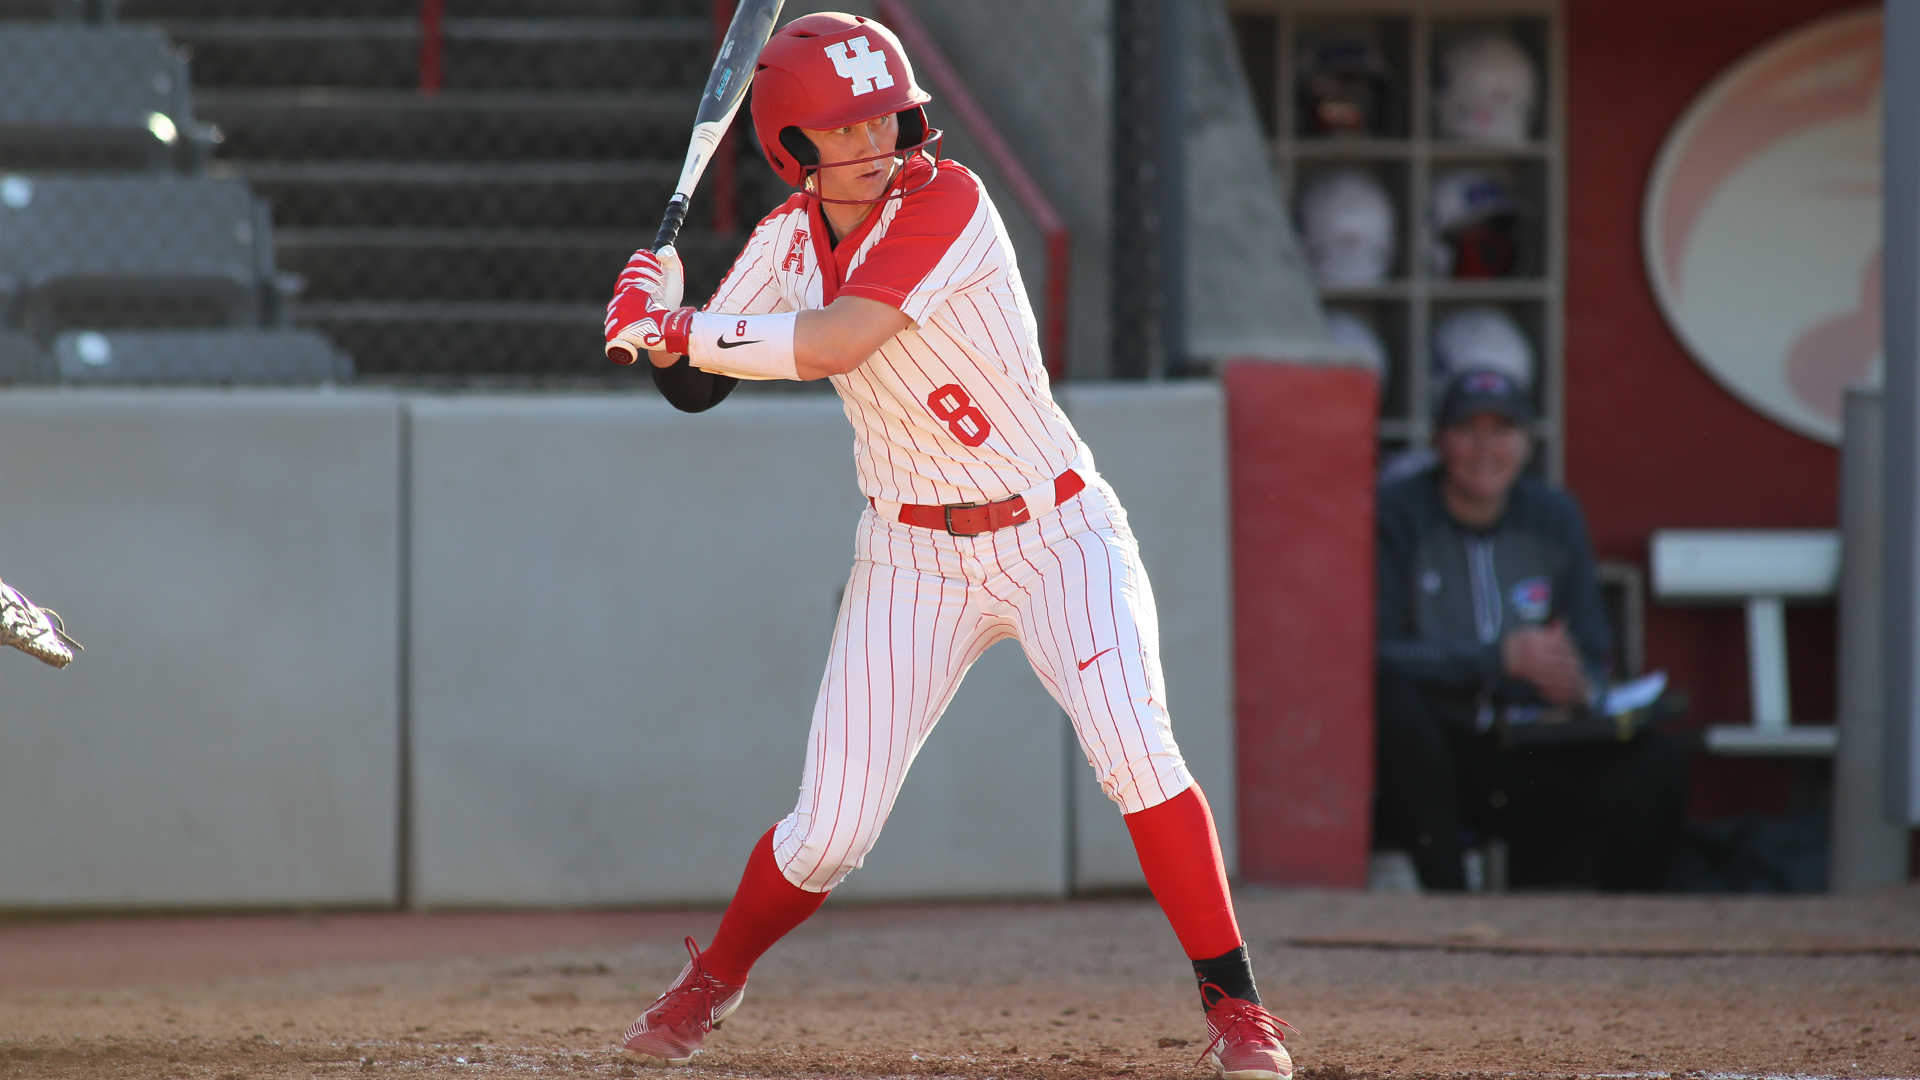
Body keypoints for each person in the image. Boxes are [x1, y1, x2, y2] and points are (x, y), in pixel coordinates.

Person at [601, 13, 1292, 1079]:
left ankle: (1239, 1010)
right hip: (910, 558)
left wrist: (680, 327)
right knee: (829, 830)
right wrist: (660, 315)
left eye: (886, 115)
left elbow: (836, 340)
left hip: (1057, 533)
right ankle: (711, 980)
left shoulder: (951, 202)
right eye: (844, 126)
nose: (874, 139)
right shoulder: (785, 241)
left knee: (1138, 753)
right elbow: (697, 388)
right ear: (790, 143)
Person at [1373, 369, 1687, 891]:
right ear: (1439, 440)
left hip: (1531, 744)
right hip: (1442, 752)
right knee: (1394, 704)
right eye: (1467, 429)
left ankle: (1629, 920)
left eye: (1502, 430)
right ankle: (1449, 904)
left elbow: (1592, 647)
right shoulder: (1400, 513)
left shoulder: (1554, 515)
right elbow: (1378, 652)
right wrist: (1499, 658)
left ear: (1526, 443)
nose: (1485, 448)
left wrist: (1577, 684)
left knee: (1659, 762)